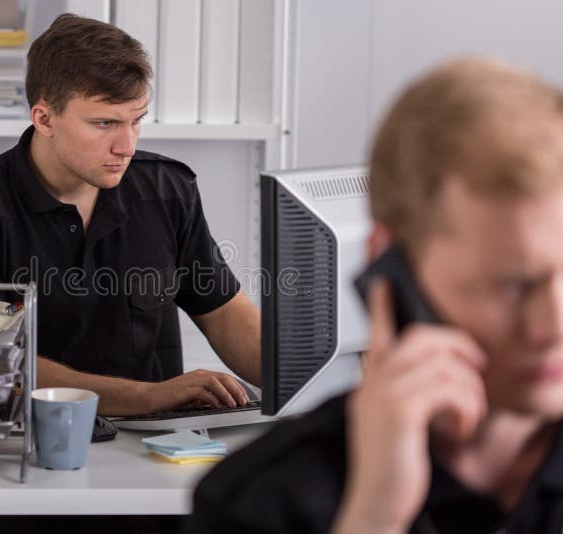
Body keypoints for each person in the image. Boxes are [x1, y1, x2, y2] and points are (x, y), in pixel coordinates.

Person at [186, 57, 563, 534]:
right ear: (394, 267)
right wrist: (374, 517)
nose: (553, 326)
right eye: (510, 284)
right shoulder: (259, 501)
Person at [0, 13, 261, 418]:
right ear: (44, 119)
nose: (127, 146)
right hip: (24, 446)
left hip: (153, 447)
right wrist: (151, 397)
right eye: (105, 123)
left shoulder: (168, 190)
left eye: (137, 121)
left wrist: (303, 376)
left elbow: (222, 313)